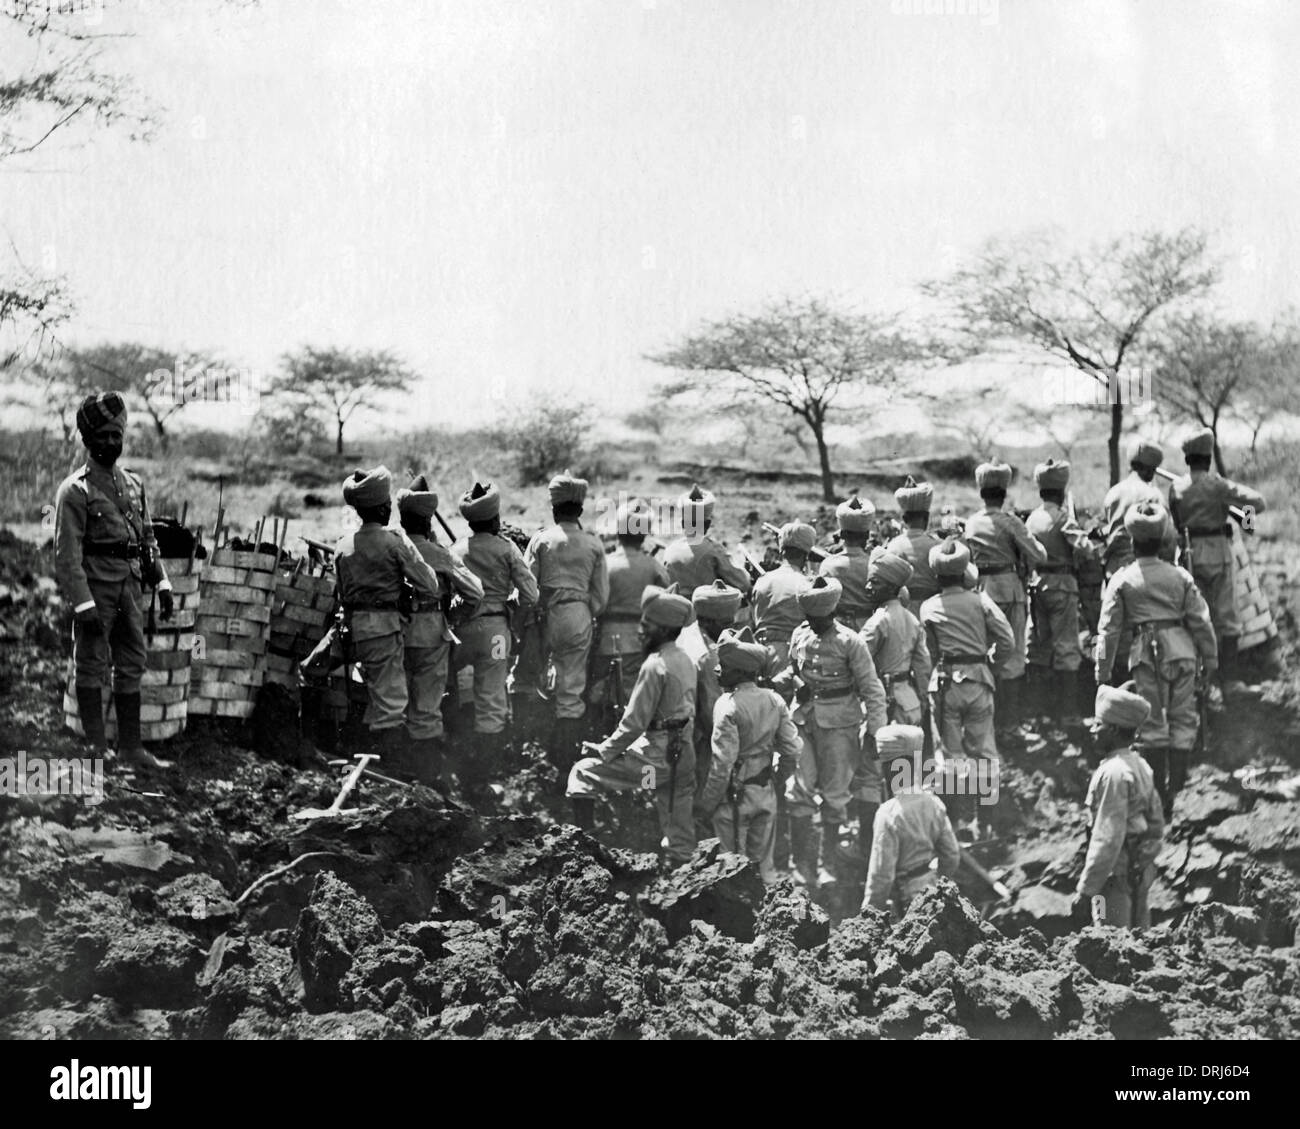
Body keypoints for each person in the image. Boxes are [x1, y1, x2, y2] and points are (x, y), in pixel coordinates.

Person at [54, 391, 174, 769]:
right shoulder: (75, 490)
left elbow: (147, 538)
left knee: (132, 661)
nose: (109, 442)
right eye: (101, 436)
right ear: (87, 441)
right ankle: (96, 751)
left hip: (130, 587)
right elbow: (66, 555)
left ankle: (131, 748)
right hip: (96, 589)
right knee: (90, 662)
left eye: (115, 435)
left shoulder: (134, 485)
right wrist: (83, 603)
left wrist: (163, 581)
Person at [1095, 501, 1217, 820]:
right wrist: (1211, 659)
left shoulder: (1122, 579)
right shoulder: (1180, 576)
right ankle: (1175, 791)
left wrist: (1103, 672)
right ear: (1163, 540)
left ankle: (1160, 799)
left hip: (1147, 656)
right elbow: (1201, 622)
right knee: (1183, 720)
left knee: (1151, 726)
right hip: (1183, 651)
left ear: (1133, 542)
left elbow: (1108, 630)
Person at [567, 584, 698, 868]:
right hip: (683, 754)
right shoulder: (686, 659)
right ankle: (683, 884)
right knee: (679, 832)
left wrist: (604, 750)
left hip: (656, 759)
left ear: (663, 630)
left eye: (647, 625)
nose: (641, 631)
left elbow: (634, 724)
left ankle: (585, 852)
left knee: (583, 773)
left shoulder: (655, 665)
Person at [331, 466, 443, 765]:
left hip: (356, 631)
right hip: (385, 631)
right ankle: (388, 770)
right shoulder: (395, 542)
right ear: (383, 507)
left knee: (378, 694)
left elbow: (341, 594)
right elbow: (429, 584)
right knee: (393, 703)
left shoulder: (342, 546)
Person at [786, 576, 888, 889]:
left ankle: (827, 862)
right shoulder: (799, 635)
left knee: (835, 793)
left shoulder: (850, 642)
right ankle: (800, 863)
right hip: (804, 719)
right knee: (799, 789)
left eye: (819, 619)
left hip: (840, 724)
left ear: (831, 613)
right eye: (810, 618)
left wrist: (874, 731)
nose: (813, 624)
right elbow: (793, 669)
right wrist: (794, 683)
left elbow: (872, 688)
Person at [918, 538, 1015, 837]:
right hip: (979, 680)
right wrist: (989, 666)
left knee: (949, 756)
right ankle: (987, 824)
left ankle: (959, 826)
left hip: (946, 683)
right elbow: (1007, 642)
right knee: (985, 753)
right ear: (963, 573)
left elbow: (928, 652)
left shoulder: (929, 607)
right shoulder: (981, 601)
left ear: (937, 575)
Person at [694, 626, 800, 883]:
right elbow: (792, 748)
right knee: (764, 871)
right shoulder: (774, 700)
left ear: (740, 671)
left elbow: (722, 764)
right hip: (764, 792)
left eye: (725, 666)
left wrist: (706, 806)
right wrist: (777, 777)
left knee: (730, 874)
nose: (718, 671)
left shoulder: (727, 705)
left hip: (733, 798)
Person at [396, 476, 484, 784]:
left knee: (396, 704)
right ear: (427, 520)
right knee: (428, 709)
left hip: (394, 634)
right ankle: (428, 780)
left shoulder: (391, 548)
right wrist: (452, 616)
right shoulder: (439, 553)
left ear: (402, 519)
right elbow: (475, 593)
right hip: (432, 634)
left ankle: (399, 776)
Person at [1168, 427, 1267, 685]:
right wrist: (1239, 512)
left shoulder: (1176, 487)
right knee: (1228, 619)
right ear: (1208, 458)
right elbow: (1259, 502)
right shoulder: (1218, 485)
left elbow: (1177, 523)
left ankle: (1198, 678)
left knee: (1195, 616)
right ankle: (1230, 681)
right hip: (1218, 554)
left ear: (1188, 459)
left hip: (1189, 555)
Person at [525, 471, 609, 766]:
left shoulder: (541, 539)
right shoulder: (593, 544)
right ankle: (565, 759)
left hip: (547, 616)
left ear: (554, 508)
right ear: (580, 510)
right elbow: (602, 596)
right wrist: (586, 611)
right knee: (571, 686)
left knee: (538, 678)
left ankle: (537, 749)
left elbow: (527, 585)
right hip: (578, 615)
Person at [452, 480, 537, 769]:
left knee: (450, 684)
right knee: (491, 696)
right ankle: (488, 768)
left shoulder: (457, 549)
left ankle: (456, 749)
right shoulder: (507, 548)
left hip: (462, 630)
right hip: (496, 634)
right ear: (496, 519)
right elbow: (531, 594)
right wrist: (512, 608)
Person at [963, 460, 1046, 747]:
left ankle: (990, 724)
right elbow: (1039, 555)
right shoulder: (1010, 522)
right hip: (1009, 593)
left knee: (987, 655)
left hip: (981, 592)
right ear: (1004, 491)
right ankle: (1011, 726)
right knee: (1013, 656)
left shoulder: (972, 523)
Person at [1072, 682, 1165, 930]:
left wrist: (1086, 890)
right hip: (1138, 872)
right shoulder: (1140, 765)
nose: (1092, 731)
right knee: (1140, 941)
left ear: (1112, 730)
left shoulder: (1112, 773)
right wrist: (1143, 863)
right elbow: (1156, 824)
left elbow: (1107, 837)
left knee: (1108, 940)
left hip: (1113, 879)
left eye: (1098, 725)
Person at [862, 723, 961, 916]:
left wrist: (866, 918)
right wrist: (938, 883)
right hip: (933, 892)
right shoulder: (933, 802)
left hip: (906, 899)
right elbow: (952, 855)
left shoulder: (888, 814)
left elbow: (881, 876)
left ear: (888, 769)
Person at [1024, 459, 1094, 730]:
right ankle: (1068, 714)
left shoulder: (1032, 519)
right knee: (1067, 648)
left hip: (1037, 583)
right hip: (1063, 585)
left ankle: (1039, 715)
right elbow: (1086, 549)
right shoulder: (1063, 519)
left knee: (1039, 649)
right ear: (1061, 490)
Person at [597, 498, 670, 708]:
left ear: (619, 533)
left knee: (603, 694)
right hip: (639, 640)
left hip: (607, 639)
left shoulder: (606, 564)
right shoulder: (653, 566)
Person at [691, 580, 744, 817]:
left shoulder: (684, 638)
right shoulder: (709, 656)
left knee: (653, 783)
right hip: (686, 744)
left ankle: (647, 813)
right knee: (680, 801)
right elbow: (713, 714)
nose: (729, 629)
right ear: (710, 621)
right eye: (726, 624)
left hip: (658, 745)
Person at [1100, 438, 1177, 579]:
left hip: (1114, 571)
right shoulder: (1153, 494)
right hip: (1143, 572)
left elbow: (1103, 532)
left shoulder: (1112, 493)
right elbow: (1168, 539)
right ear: (1150, 470)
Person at [662, 483, 752, 595]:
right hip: (705, 610)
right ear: (708, 524)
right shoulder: (714, 550)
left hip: (676, 610)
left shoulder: (670, 550)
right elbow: (743, 583)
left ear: (683, 523)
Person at [751, 521, 815, 672]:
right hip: (794, 651)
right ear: (806, 556)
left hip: (760, 652)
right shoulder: (807, 585)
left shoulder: (762, 581)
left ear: (781, 551)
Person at [819, 495, 875, 630]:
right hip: (867, 627)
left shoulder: (827, 565)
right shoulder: (874, 565)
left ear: (842, 534)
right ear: (867, 535)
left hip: (836, 629)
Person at [885, 476, 941, 607]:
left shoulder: (893, 546)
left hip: (903, 609)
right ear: (927, 518)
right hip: (934, 608)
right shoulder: (936, 545)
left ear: (904, 519)